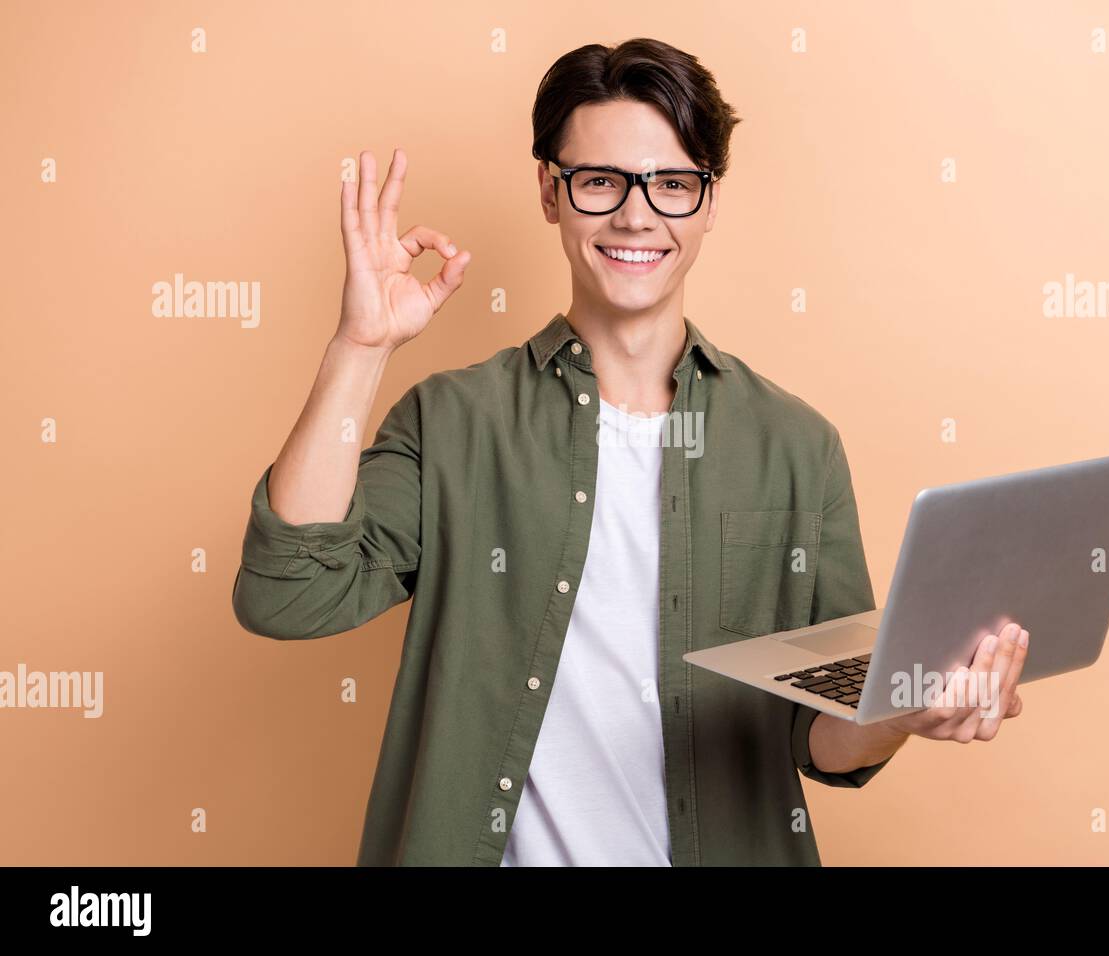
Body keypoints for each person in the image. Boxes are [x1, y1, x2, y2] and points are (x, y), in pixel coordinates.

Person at [231, 37, 1029, 867]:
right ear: (551, 190)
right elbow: (287, 595)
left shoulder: (797, 447)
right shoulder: (453, 422)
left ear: (710, 201)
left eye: (673, 184)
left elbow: (819, 737)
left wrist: (905, 711)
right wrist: (361, 347)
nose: (636, 216)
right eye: (601, 180)